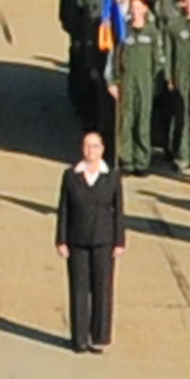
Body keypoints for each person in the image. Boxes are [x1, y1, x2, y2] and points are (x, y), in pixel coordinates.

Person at [54, 127, 124, 350]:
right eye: (87, 146)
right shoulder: (70, 176)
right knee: (79, 289)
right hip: (77, 240)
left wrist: (119, 240)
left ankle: (100, 337)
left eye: (95, 146)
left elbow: (119, 210)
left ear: (102, 150)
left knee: (102, 289)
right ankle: (79, 338)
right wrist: (61, 240)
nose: (90, 150)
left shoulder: (111, 176)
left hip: (104, 240)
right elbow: (63, 209)